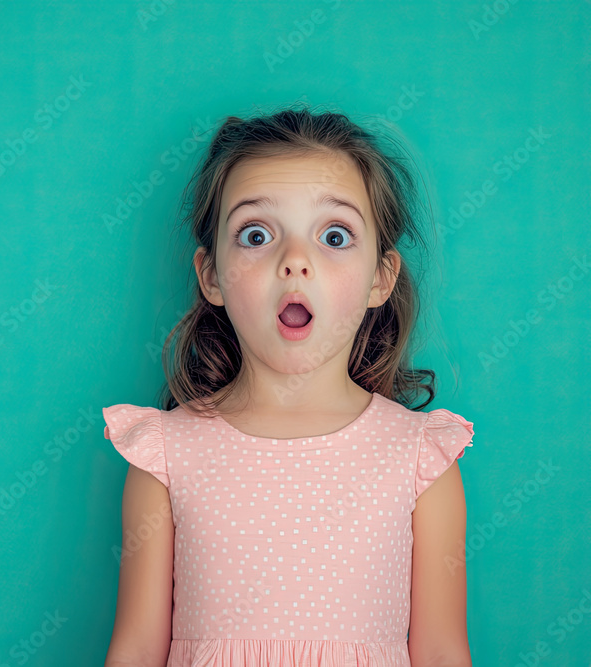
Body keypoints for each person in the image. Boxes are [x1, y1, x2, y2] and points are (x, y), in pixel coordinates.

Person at [102, 105, 474, 667]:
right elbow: (134, 650)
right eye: (256, 234)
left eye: (333, 235)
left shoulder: (421, 459)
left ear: (381, 277)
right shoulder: (165, 457)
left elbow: (443, 652)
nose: (295, 261)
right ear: (211, 275)